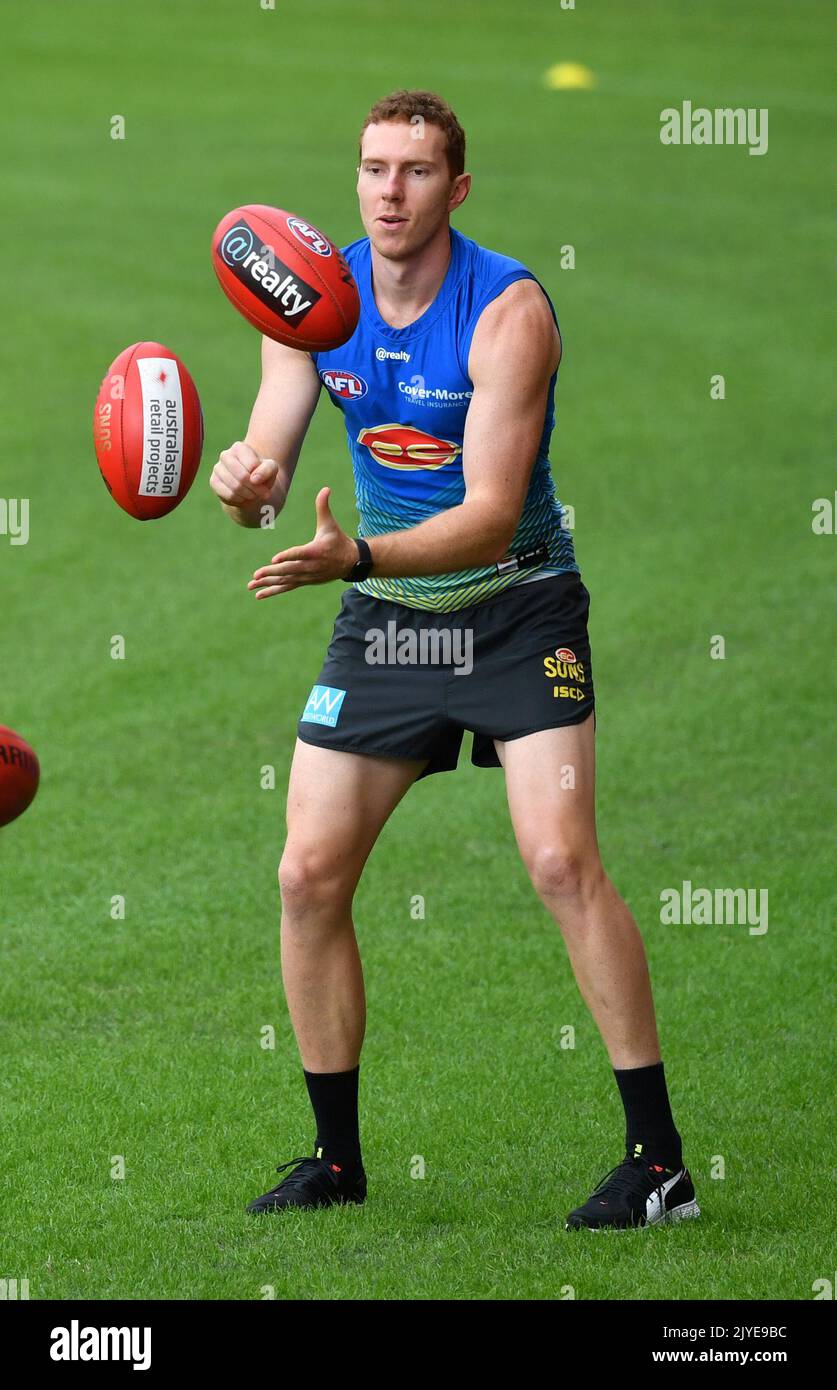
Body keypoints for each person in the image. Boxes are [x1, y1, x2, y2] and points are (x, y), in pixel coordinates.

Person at [210, 90, 699, 1231]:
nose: (390, 191)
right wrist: (246, 485)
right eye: (375, 168)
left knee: (559, 858)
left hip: (518, 604)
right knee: (305, 873)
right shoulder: (310, 299)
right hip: (385, 615)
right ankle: (337, 1162)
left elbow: (486, 514)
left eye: (417, 171)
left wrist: (355, 552)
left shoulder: (508, 309)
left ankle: (660, 1162)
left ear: (457, 189)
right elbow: (274, 463)